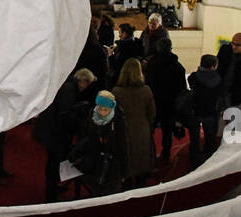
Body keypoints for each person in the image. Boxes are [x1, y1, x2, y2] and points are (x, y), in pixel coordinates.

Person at [33, 68, 95, 201]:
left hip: (52, 130)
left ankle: (54, 186)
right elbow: (65, 113)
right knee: (53, 163)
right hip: (54, 132)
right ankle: (51, 194)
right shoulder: (69, 89)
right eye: (87, 84)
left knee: (53, 162)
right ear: (83, 81)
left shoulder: (67, 85)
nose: (86, 88)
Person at [69, 91, 128, 196]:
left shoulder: (118, 119)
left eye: (105, 109)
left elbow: (122, 145)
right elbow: (86, 136)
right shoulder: (92, 114)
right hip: (94, 159)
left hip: (112, 162)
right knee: (95, 189)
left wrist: (124, 171)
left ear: (111, 108)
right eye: (100, 108)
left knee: (109, 192)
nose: (102, 112)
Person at [111, 58, 156, 188]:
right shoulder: (146, 90)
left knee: (127, 158)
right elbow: (152, 112)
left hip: (124, 129)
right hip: (142, 128)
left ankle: (127, 185)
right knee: (142, 158)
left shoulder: (116, 91)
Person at [144, 36, 186, 168]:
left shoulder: (152, 64)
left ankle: (149, 155)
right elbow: (182, 89)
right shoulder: (178, 67)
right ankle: (166, 155)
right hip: (170, 104)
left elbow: (147, 84)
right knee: (167, 131)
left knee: (149, 130)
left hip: (155, 102)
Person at [184, 54, 224, 170]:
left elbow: (190, 82)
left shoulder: (195, 76)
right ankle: (209, 163)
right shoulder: (219, 78)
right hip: (211, 112)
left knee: (194, 139)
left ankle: (194, 163)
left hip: (196, 111)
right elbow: (221, 94)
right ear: (213, 66)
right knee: (210, 138)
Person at [107, 22, 143, 89]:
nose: (119, 35)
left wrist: (110, 55)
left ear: (125, 33)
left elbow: (116, 65)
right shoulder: (137, 43)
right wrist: (117, 48)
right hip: (135, 78)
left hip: (121, 79)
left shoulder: (123, 48)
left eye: (120, 33)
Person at [77, 17, 109, 87]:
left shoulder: (78, 50)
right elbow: (104, 71)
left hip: (80, 85)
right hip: (96, 85)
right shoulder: (99, 51)